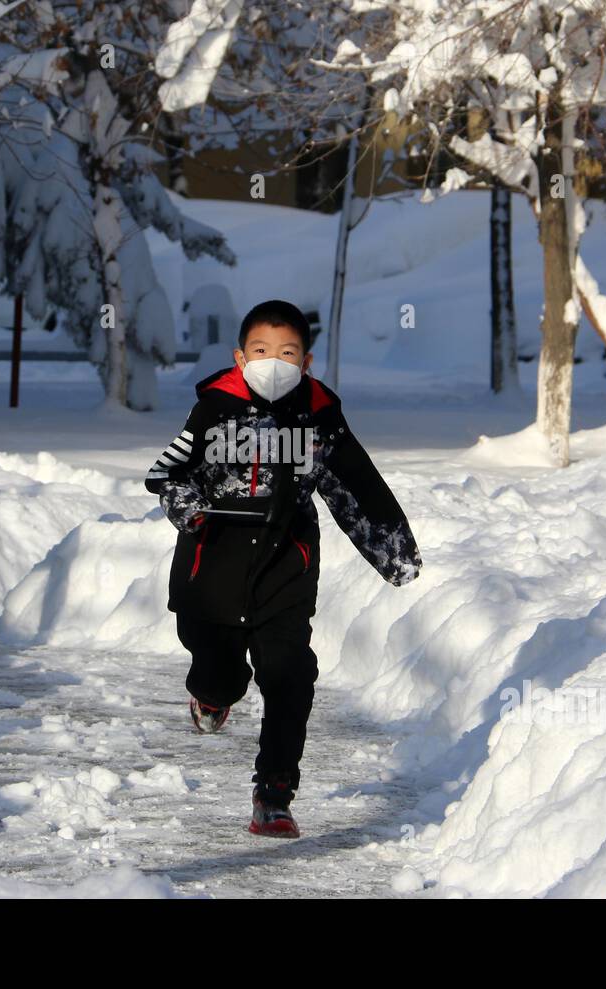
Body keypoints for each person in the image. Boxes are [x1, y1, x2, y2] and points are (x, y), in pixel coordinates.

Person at [145, 299, 422, 836]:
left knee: (289, 673)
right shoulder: (214, 408)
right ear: (240, 356)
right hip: (212, 569)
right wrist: (185, 505)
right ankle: (212, 695)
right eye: (262, 351)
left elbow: (354, 484)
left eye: (288, 352)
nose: (275, 361)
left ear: (307, 361)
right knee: (218, 672)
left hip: (285, 566)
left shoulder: (318, 416)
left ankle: (274, 793)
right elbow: (168, 471)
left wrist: (394, 550)